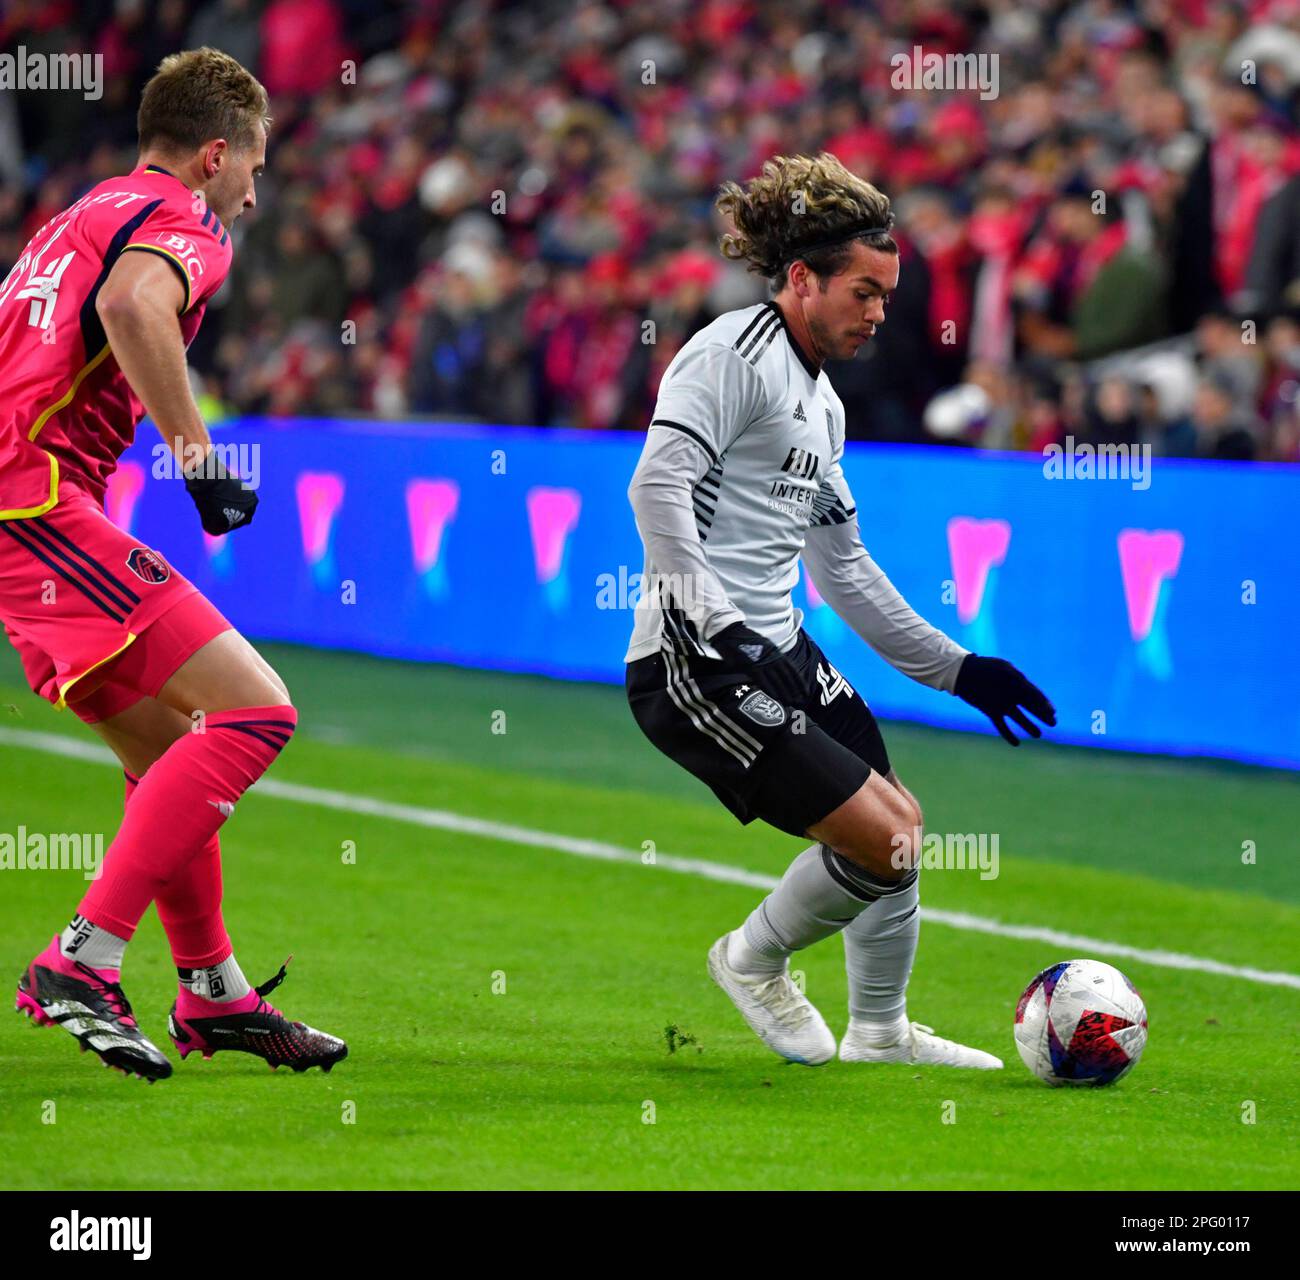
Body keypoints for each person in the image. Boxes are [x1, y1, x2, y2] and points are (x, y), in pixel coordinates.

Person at [624, 153, 1055, 1069]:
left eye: (889, 296)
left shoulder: (823, 404)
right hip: (694, 660)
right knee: (886, 839)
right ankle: (751, 959)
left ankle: (881, 1033)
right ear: (801, 280)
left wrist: (957, 669)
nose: (878, 313)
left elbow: (844, 566)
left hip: (776, 648)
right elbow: (655, 488)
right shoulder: (729, 354)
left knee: (901, 826)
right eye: (864, 291)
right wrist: (714, 620)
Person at [3, 48, 346, 1080]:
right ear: (213, 155)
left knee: (167, 758)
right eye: (254, 162)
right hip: (38, 505)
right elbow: (132, 311)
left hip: (23, 505)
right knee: (256, 711)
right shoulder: (182, 220)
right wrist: (199, 461)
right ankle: (83, 957)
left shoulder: (74, 215)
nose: (253, 187)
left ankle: (213, 989)